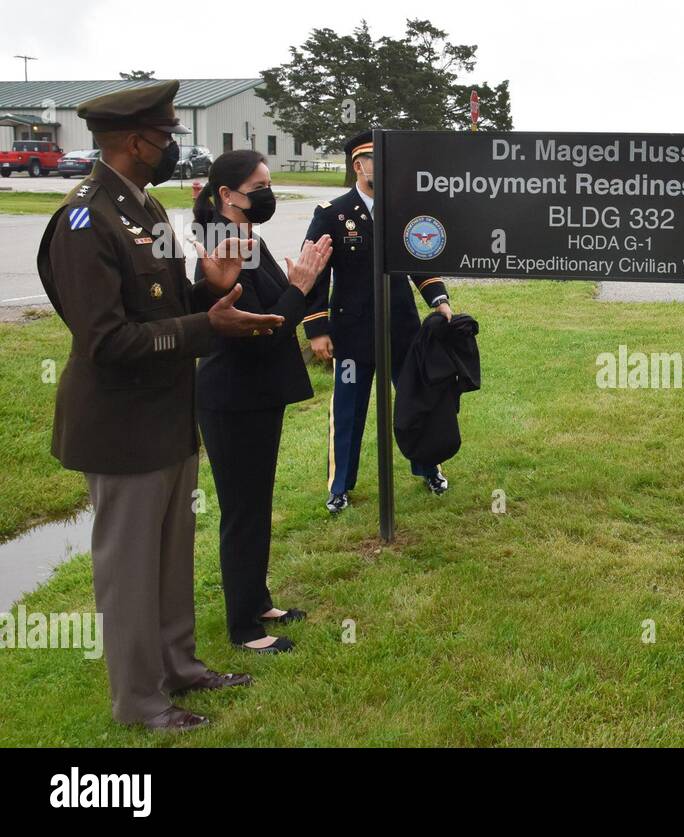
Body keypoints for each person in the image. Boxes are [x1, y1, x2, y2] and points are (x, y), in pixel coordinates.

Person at [35, 80, 281, 731]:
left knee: (171, 558)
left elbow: (169, 309)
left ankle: (179, 666)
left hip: (168, 416)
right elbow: (105, 340)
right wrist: (210, 328)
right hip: (121, 428)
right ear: (136, 140)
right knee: (130, 571)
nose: (174, 147)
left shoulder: (144, 208)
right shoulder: (86, 218)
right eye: (166, 136)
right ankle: (139, 698)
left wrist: (211, 289)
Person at [192, 150, 333, 653]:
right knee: (242, 512)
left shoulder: (253, 239)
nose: (267, 194)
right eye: (259, 187)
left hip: (257, 395)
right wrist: (301, 287)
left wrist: (298, 290)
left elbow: (279, 310)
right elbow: (263, 329)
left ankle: (257, 600)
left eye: (269, 184)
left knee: (256, 504)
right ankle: (244, 629)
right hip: (232, 398)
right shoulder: (220, 249)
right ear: (227, 195)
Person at [302, 129, 454, 514]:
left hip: (401, 327)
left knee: (414, 400)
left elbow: (420, 258)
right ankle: (340, 486)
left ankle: (428, 467)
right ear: (359, 165)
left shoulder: (400, 210)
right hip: (352, 332)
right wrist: (317, 328)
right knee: (349, 409)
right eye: (377, 160)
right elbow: (314, 273)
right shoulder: (331, 214)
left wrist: (437, 299)